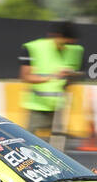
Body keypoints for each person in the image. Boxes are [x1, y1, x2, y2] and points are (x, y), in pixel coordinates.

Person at [19, 22, 83, 150]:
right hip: (37, 106)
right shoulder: (33, 47)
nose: (66, 47)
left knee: (58, 147)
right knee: (28, 144)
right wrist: (52, 77)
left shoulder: (75, 50)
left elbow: (79, 73)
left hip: (59, 107)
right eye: (64, 43)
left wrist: (72, 74)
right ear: (56, 36)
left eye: (70, 44)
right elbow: (25, 76)